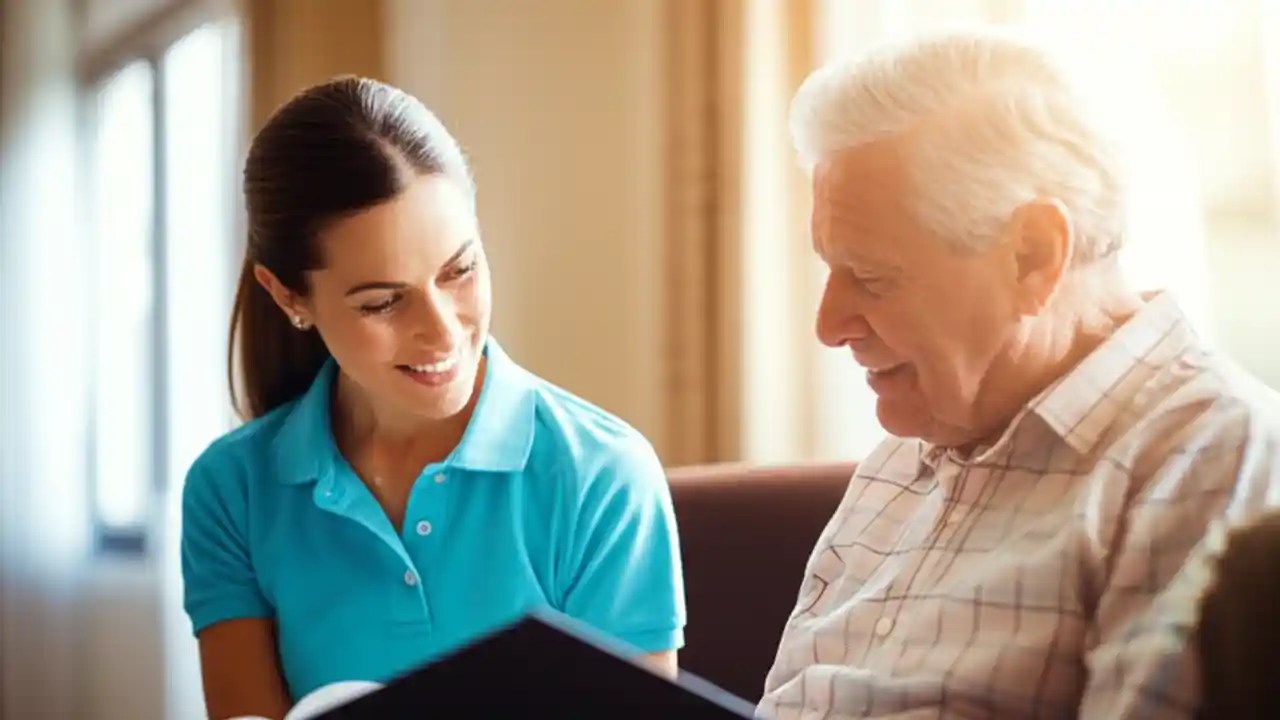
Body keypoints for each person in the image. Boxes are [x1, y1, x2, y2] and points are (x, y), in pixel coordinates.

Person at [758, 31, 1280, 719]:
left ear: (1032, 255)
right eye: (830, 268)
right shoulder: (906, 453)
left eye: (873, 277)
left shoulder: (1210, 459)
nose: (830, 326)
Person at [181, 76, 685, 720]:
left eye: (460, 270)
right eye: (383, 301)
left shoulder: (603, 475)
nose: (444, 331)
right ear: (288, 297)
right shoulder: (232, 490)